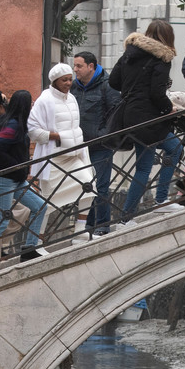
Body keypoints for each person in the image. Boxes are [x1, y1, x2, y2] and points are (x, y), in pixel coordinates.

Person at [109, 19, 183, 223]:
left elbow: (113, 81)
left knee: (171, 149)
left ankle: (155, 203)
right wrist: (169, 108)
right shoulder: (162, 58)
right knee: (152, 162)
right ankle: (133, 214)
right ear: (168, 38)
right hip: (148, 118)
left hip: (130, 115)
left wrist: (133, 89)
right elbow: (157, 93)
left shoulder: (130, 52)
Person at [27, 62, 87, 238]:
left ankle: (80, 232)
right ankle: (36, 241)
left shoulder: (72, 98)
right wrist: (59, 137)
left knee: (88, 186)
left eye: (70, 79)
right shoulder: (44, 100)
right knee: (47, 201)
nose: (68, 83)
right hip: (53, 158)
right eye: (64, 80)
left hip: (74, 156)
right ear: (55, 81)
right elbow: (33, 130)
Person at [0, 89, 50, 263]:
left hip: (16, 179)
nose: (32, 106)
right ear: (24, 105)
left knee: (40, 206)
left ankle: (29, 249)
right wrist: (16, 165)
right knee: (1, 220)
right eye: (30, 103)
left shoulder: (16, 123)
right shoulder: (13, 125)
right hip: (5, 179)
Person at [72, 50, 121, 238]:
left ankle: (103, 225)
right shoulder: (75, 87)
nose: (75, 69)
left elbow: (116, 114)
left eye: (79, 66)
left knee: (101, 186)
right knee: (85, 186)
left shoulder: (107, 85)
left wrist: (103, 135)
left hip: (101, 146)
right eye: (75, 65)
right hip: (80, 146)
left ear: (90, 66)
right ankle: (87, 225)